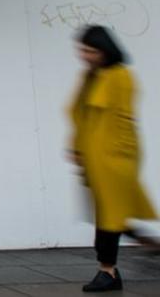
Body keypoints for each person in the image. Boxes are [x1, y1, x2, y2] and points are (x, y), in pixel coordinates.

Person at [69, 25, 160, 293]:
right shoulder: (90, 77)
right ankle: (150, 244)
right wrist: (77, 149)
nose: (84, 55)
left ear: (104, 50)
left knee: (109, 216)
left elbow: (125, 120)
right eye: (82, 50)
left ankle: (107, 271)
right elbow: (80, 116)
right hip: (93, 157)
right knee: (109, 214)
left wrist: (120, 156)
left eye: (90, 50)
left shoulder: (121, 76)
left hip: (115, 158)